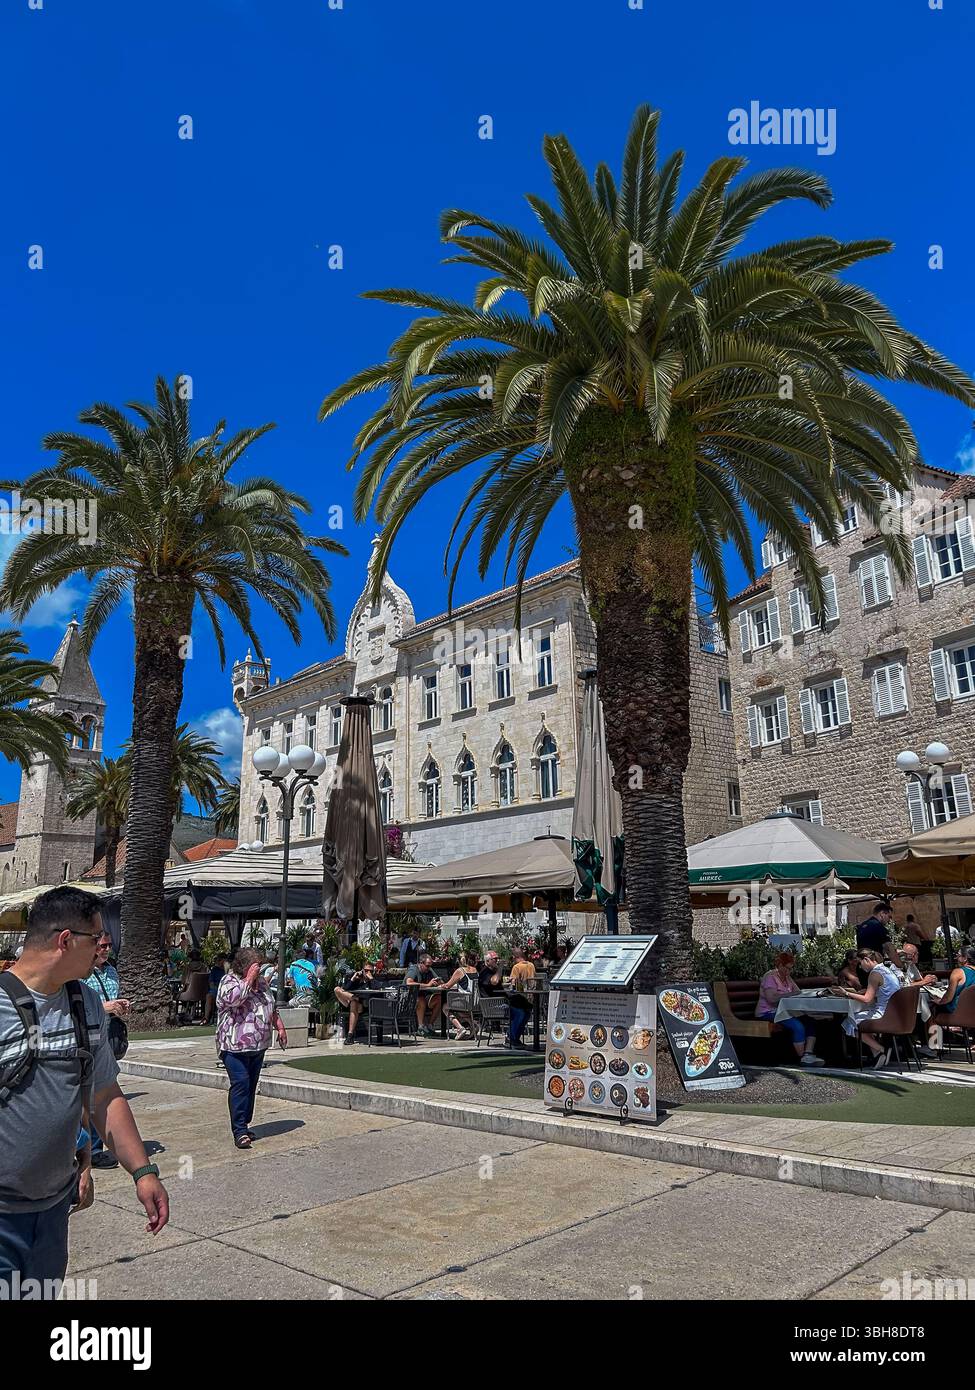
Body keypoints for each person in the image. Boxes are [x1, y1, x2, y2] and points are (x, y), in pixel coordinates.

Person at [0, 887, 169, 1298]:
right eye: (95, 940)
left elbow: (104, 1096)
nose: (101, 950)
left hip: (53, 1211)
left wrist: (142, 1172)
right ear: (65, 940)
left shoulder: (86, 1003)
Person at [215, 947, 288, 1149]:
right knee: (241, 1083)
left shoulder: (262, 984)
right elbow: (232, 1000)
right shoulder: (229, 982)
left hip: (258, 1046)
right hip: (233, 1046)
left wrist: (279, 1027)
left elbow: (271, 1006)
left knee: (251, 1085)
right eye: (256, 965)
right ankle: (239, 1130)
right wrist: (248, 979)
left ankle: (244, 1123)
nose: (259, 970)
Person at [82, 931, 131, 1170]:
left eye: (109, 945)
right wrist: (106, 1006)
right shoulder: (82, 973)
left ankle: (96, 1146)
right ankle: (91, 1149)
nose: (106, 950)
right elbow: (80, 1005)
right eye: (102, 945)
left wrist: (119, 1006)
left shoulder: (111, 971)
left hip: (108, 1033)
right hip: (88, 1036)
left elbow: (110, 1000)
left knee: (104, 1087)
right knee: (93, 1092)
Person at [835, 948, 904, 1067]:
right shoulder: (887, 970)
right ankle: (877, 1055)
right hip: (895, 1014)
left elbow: (868, 999)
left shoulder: (874, 974)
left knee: (849, 1022)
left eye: (860, 963)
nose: (860, 967)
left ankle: (881, 1049)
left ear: (866, 959)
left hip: (883, 1015)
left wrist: (846, 993)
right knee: (861, 1020)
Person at [755, 952, 823, 1066]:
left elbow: (797, 991)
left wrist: (792, 993)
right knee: (797, 1026)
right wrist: (789, 995)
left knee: (809, 1021)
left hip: (785, 1011)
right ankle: (802, 1058)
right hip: (767, 1012)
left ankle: (808, 1054)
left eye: (791, 969)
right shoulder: (770, 977)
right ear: (780, 965)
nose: (789, 971)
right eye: (787, 968)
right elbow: (771, 999)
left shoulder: (787, 977)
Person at [927, 945, 975, 1052]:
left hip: (958, 1011)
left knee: (931, 1008)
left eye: (958, 956)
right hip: (973, 1013)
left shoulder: (958, 972)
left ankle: (934, 1045)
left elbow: (948, 997)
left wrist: (939, 1001)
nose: (956, 958)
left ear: (965, 958)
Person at [896, 943, 940, 1057]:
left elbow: (919, 980)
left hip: (919, 998)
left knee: (933, 1011)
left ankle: (935, 1045)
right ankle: (934, 1045)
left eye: (914, 954)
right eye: (912, 954)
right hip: (904, 1002)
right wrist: (923, 982)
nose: (914, 957)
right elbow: (903, 985)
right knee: (930, 1016)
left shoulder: (911, 966)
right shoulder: (896, 968)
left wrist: (930, 979)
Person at [334, 959, 377, 1045]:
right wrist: (353, 978)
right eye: (366, 970)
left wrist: (371, 978)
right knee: (337, 989)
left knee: (354, 1003)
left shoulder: (373, 981)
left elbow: (377, 989)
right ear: (362, 970)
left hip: (364, 1006)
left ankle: (350, 1036)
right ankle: (355, 999)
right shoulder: (357, 980)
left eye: (370, 971)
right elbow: (345, 989)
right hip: (351, 1003)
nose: (368, 972)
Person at [405, 952, 444, 1036]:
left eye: (430, 965)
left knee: (439, 999)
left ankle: (430, 1025)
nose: (429, 968)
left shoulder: (429, 970)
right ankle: (421, 1027)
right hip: (410, 998)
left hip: (424, 995)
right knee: (421, 999)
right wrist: (428, 985)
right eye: (427, 966)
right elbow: (409, 983)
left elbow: (440, 980)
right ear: (421, 963)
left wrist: (438, 982)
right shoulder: (414, 969)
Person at [442, 952, 478, 1040]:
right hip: (476, 1001)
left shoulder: (460, 971)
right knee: (459, 1009)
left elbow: (447, 986)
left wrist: (440, 985)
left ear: (458, 961)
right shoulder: (474, 969)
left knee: (445, 1007)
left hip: (465, 1001)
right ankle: (473, 1025)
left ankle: (460, 1028)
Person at [506, 946, 536, 1048]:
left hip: (519, 997)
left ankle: (511, 1037)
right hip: (530, 997)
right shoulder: (531, 965)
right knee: (524, 1016)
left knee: (518, 1014)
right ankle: (515, 1038)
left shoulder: (516, 967)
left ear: (515, 957)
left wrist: (509, 981)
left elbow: (513, 983)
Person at [204, 953, 229, 1025]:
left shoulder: (228, 970)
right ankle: (206, 1018)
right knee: (209, 996)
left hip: (226, 989)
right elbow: (211, 983)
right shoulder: (214, 970)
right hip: (216, 989)